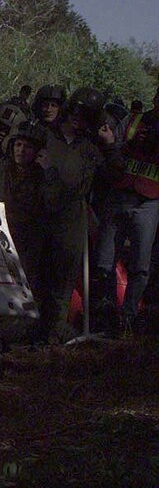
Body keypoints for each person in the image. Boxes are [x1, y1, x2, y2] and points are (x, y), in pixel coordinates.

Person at [32, 87, 119, 342]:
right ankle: (29, 330)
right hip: (40, 213)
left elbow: (114, 175)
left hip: (71, 217)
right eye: (75, 113)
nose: (78, 119)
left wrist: (110, 145)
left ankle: (54, 333)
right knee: (35, 274)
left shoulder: (90, 147)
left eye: (85, 116)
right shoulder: (45, 135)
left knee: (63, 279)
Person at [93, 87, 159, 332]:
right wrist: (127, 144)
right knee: (104, 260)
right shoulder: (132, 122)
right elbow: (111, 149)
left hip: (149, 201)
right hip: (119, 195)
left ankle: (128, 317)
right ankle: (107, 309)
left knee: (140, 265)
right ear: (155, 99)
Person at [0, 120, 50, 300]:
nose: (21, 150)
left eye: (28, 147)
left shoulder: (43, 177)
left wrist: (49, 172)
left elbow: (52, 204)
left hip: (27, 243)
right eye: (18, 145)